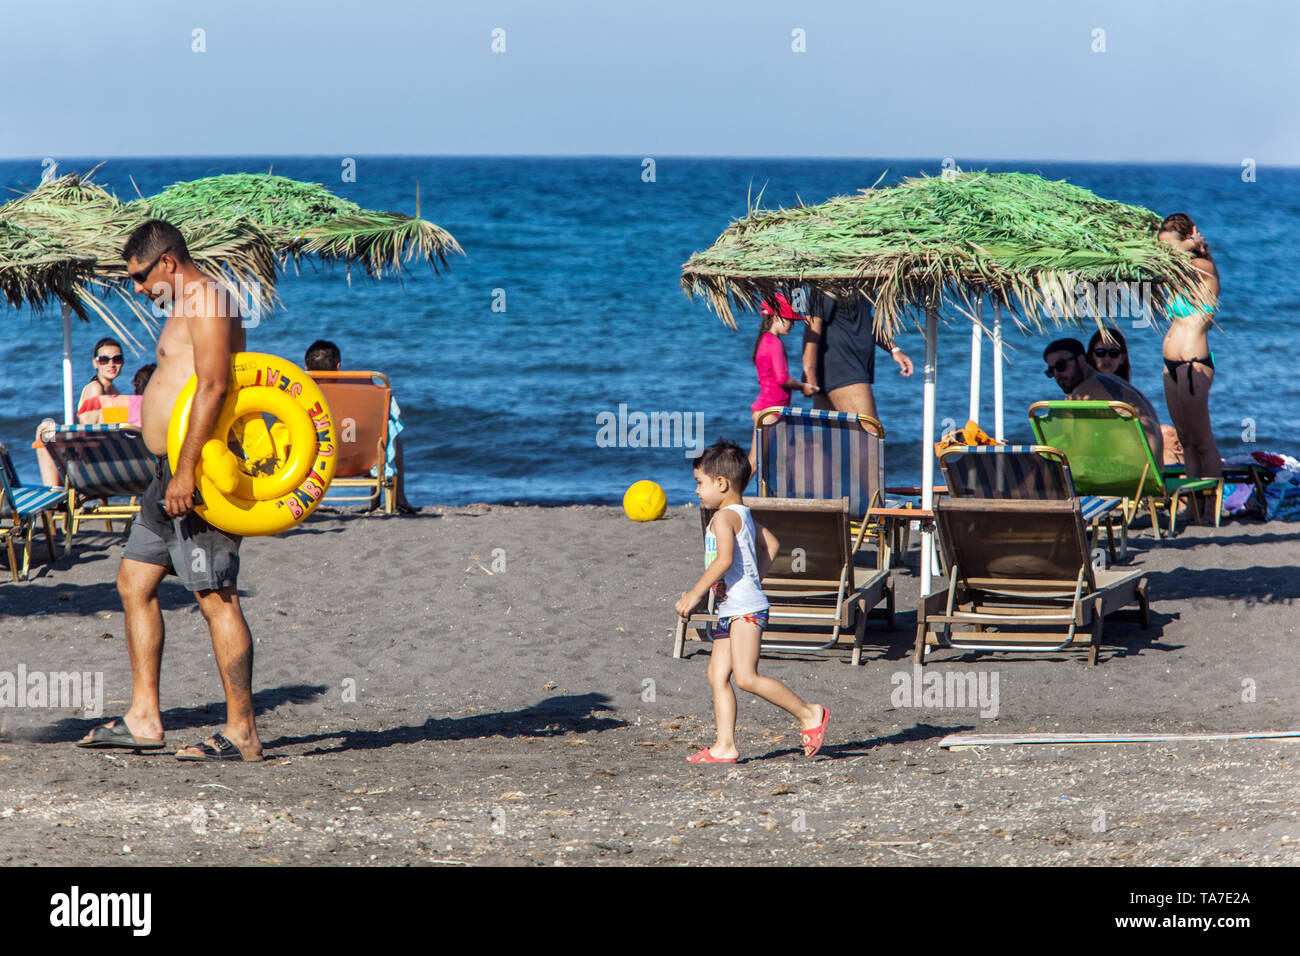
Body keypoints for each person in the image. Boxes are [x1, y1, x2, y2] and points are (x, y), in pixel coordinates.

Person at [76, 219, 262, 762]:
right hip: (166, 471)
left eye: (140, 276)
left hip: (197, 472)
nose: (138, 289)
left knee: (215, 596)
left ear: (169, 263)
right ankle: (144, 718)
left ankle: (242, 730)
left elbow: (214, 384)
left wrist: (184, 473)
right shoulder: (185, 305)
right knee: (134, 581)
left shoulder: (209, 302)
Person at [673, 440, 831, 763]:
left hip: (744, 610)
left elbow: (724, 560)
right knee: (717, 674)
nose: (697, 491)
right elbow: (771, 544)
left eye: (699, 483)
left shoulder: (722, 519)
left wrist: (695, 593)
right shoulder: (743, 514)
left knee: (746, 677)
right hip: (733, 609)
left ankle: (809, 713)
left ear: (721, 483)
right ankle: (725, 745)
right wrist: (754, 580)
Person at [304, 339, 414, 512]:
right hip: (361, 462)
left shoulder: (300, 396)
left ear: (306, 368)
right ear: (338, 366)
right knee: (391, 433)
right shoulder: (365, 394)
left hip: (314, 463)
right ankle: (399, 499)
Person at [1158, 213, 1223, 479]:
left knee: (1202, 441)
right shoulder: (1177, 276)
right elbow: (1167, 257)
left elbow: (1171, 255)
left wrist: (1193, 242)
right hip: (1171, 366)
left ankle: (1211, 508)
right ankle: (1195, 507)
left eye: (1168, 245)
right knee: (1186, 441)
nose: (1163, 251)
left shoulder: (1204, 268)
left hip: (1193, 365)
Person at [1043, 337, 1163, 464]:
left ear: (1081, 360)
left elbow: (1082, 447)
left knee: (1048, 463)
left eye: (1061, 366)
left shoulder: (1085, 392)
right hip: (1153, 474)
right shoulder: (1110, 380)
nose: (1057, 374)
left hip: (1130, 473)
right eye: (1051, 371)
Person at [801, 288, 913, 422]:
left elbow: (867, 321)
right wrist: (809, 370)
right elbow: (813, 324)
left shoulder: (860, 283)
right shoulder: (828, 283)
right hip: (842, 368)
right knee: (869, 432)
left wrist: (894, 349)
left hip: (849, 368)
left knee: (829, 437)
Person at [748, 292, 818, 477]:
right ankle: (731, 501)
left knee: (783, 460)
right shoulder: (774, 343)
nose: (792, 324)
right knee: (755, 463)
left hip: (769, 409)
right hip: (771, 411)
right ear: (776, 317)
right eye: (789, 319)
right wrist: (804, 387)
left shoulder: (765, 340)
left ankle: (776, 501)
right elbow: (782, 379)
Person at [76, 337, 125, 424]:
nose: (111, 364)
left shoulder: (113, 390)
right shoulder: (95, 388)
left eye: (117, 359)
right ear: (95, 363)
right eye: (104, 360)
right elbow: (90, 427)